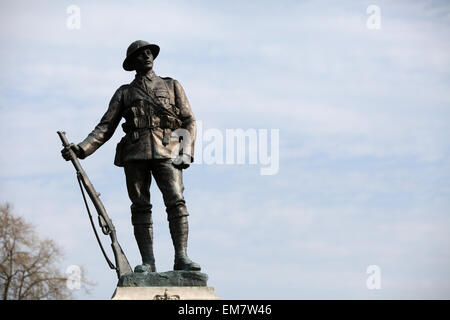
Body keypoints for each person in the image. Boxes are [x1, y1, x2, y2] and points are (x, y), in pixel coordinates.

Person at [62, 40, 200, 272]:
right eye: (140, 54)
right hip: (135, 153)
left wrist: (187, 151)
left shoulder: (172, 85)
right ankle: (148, 262)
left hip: (168, 151)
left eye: (149, 53)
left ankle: (181, 258)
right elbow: (105, 127)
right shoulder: (124, 93)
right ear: (132, 62)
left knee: (176, 201)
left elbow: (189, 120)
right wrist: (82, 148)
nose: (146, 56)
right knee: (140, 206)